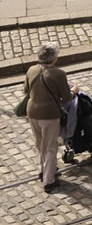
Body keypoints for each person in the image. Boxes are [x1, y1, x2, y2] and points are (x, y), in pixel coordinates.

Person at [25, 42, 76, 193]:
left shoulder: (31, 69)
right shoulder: (58, 73)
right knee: (50, 147)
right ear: (54, 58)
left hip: (32, 112)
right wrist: (74, 91)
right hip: (49, 114)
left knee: (40, 143)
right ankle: (49, 180)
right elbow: (67, 97)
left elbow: (26, 90)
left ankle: (43, 171)